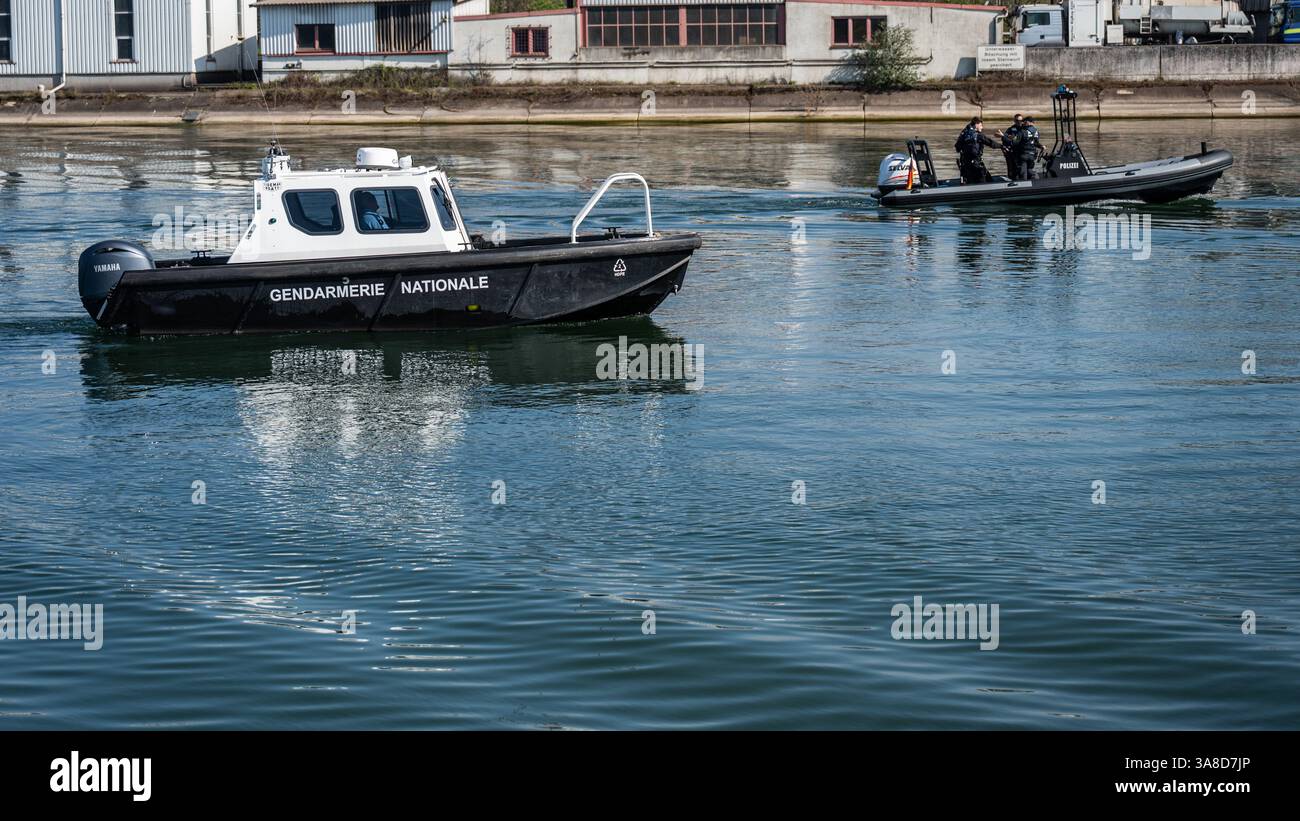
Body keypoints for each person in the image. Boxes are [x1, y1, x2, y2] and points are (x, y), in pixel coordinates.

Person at [954, 117, 1002, 185]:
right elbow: (991, 143)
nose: (982, 127)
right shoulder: (978, 135)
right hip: (975, 164)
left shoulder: (964, 133)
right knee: (986, 180)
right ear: (976, 124)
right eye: (981, 125)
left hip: (965, 163)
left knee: (969, 180)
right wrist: (1002, 146)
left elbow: (957, 148)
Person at [1015, 115, 1043, 181]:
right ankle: (1035, 179)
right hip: (1032, 155)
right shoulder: (1036, 132)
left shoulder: (1022, 131)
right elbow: (1036, 143)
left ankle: (1026, 182)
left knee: (1023, 172)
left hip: (1024, 155)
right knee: (1029, 169)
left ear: (1028, 122)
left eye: (1024, 122)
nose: (1023, 123)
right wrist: (1041, 146)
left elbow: (1015, 142)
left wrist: (1005, 137)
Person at [1001, 114, 1024, 179]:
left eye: (1020, 120)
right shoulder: (1011, 129)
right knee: (1011, 169)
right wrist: (1004, 148)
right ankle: (1011, 179)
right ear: (1014, 121)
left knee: (1022, 169)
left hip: (1022, 152)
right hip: (1013, 152)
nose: (1019, 122)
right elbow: (1004, 138)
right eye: (1017, 120)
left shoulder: (1025, 128)